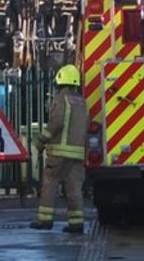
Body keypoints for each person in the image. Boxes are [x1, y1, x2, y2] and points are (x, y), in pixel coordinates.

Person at [30, 64, 88, 234]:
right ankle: (76, 223)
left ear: (60, 82)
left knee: (49, 184)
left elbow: (56, 123)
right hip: (77, 154)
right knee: (74, 187)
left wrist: (40, 141)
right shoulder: (82, 101)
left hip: (59, 153)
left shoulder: (62, 99)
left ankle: (44, 220)